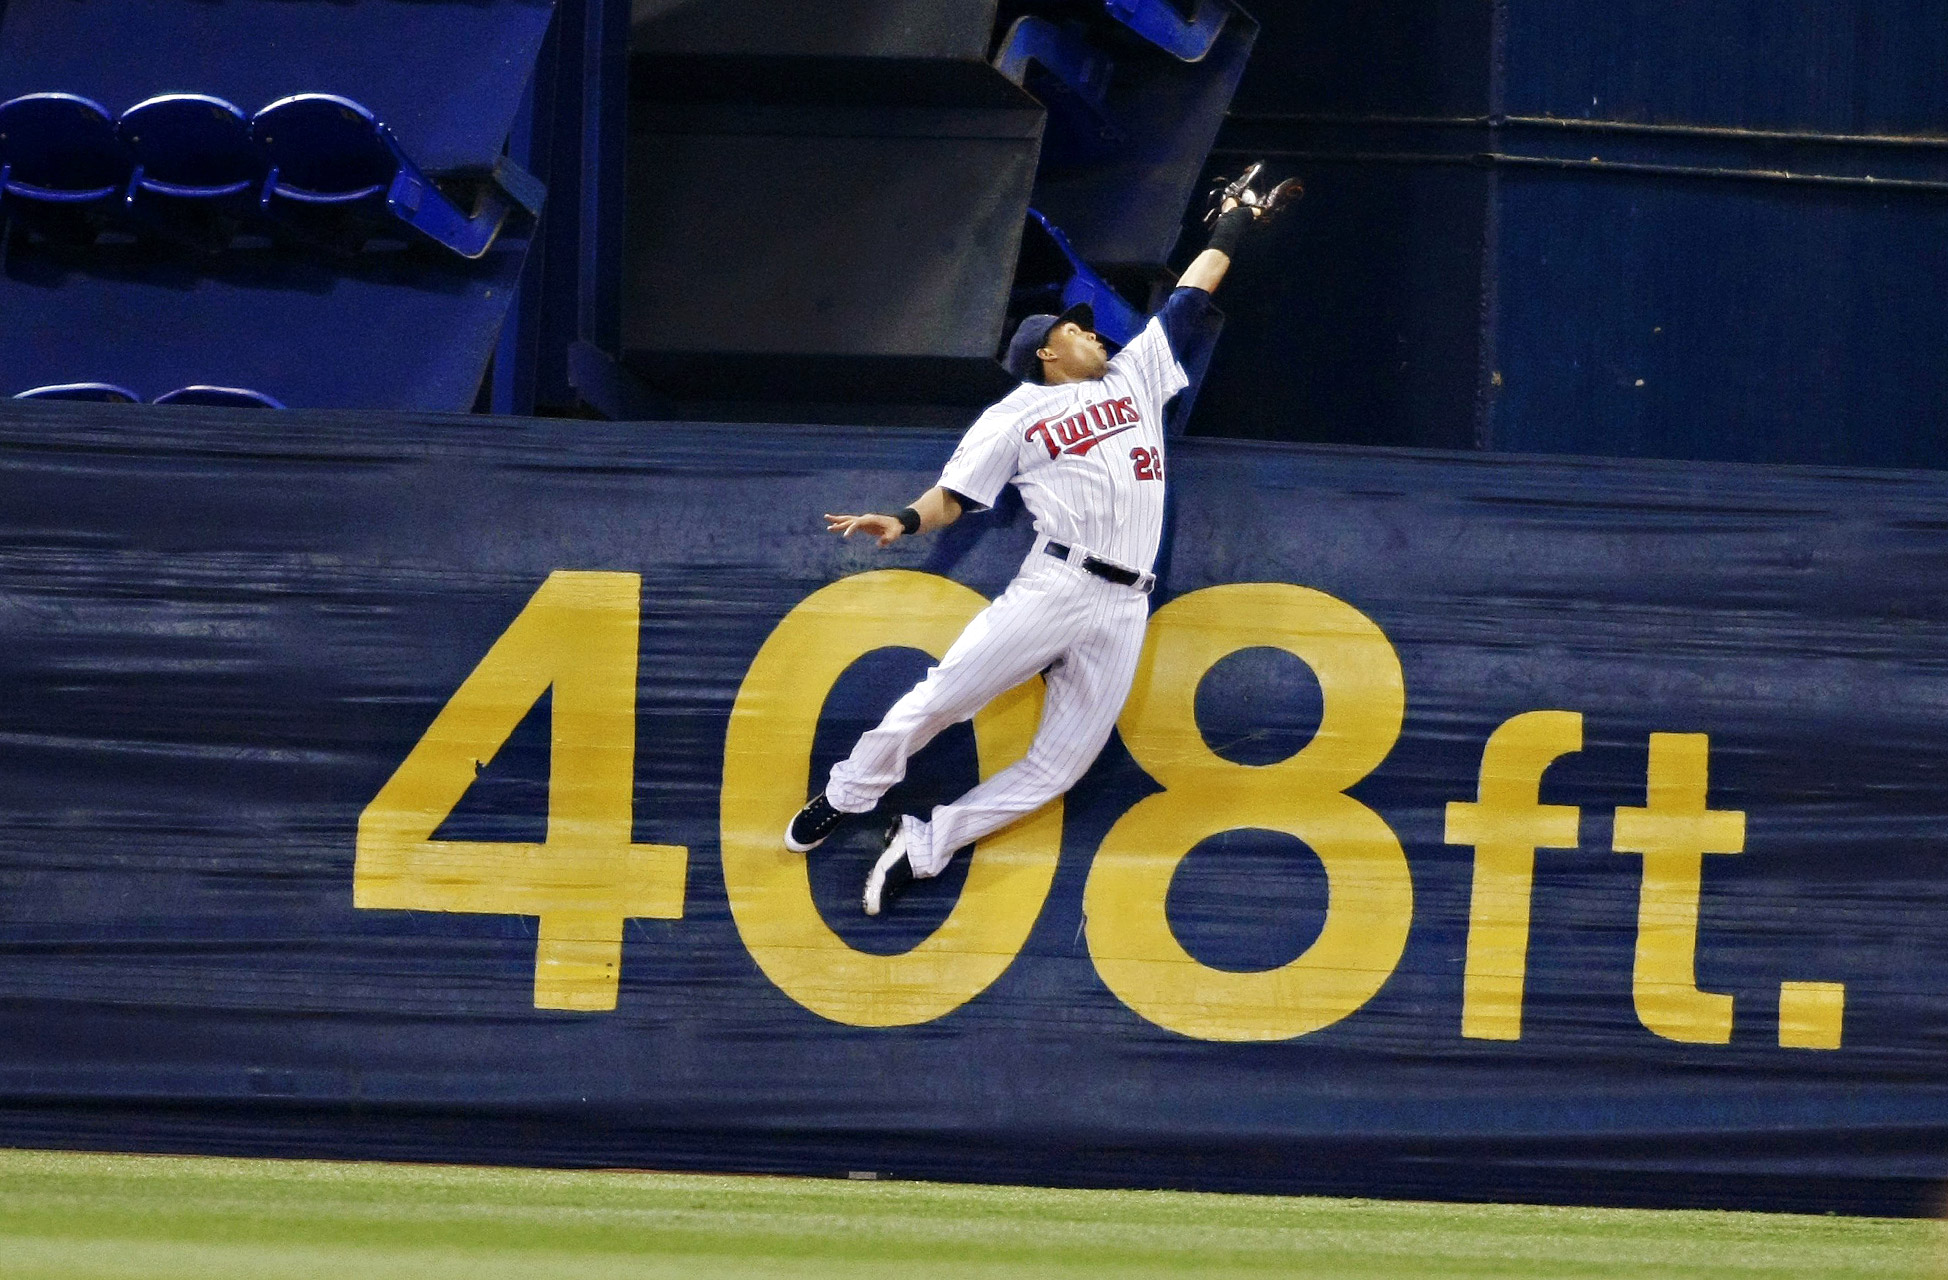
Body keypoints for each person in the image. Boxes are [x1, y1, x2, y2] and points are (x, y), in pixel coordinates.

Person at [784, 166, 1298, 915]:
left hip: (1126, 607)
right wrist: (902, 518)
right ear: (1046, 353)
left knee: (1060, 767)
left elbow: (1191, 299)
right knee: (945, 697)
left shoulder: (1134, 377)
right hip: (1056, 586)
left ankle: (930, 841)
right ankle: (847, 793)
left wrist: (1235, 224)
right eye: (1074, 328)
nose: (1091, 331)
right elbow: (955, 497)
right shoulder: (1015, 415)